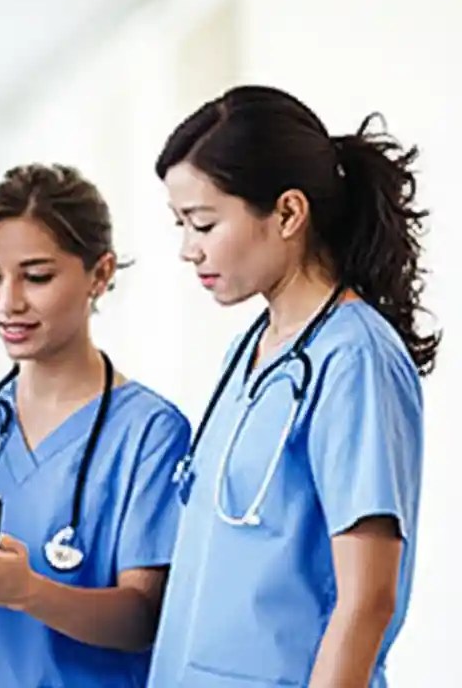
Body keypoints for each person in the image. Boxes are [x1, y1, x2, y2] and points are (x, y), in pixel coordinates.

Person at [147, 85, 435, 687]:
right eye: (180, 224)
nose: (186, 249)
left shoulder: (354, 358)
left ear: (287, 213)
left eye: (202, 223)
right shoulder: (251, 351)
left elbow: (369, 599)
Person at [0, 163, 192, 686]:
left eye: (37, 276)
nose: (8, 302)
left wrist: (26, 590)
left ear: (100, 273)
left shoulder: (149, 432)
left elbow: (145, 618)